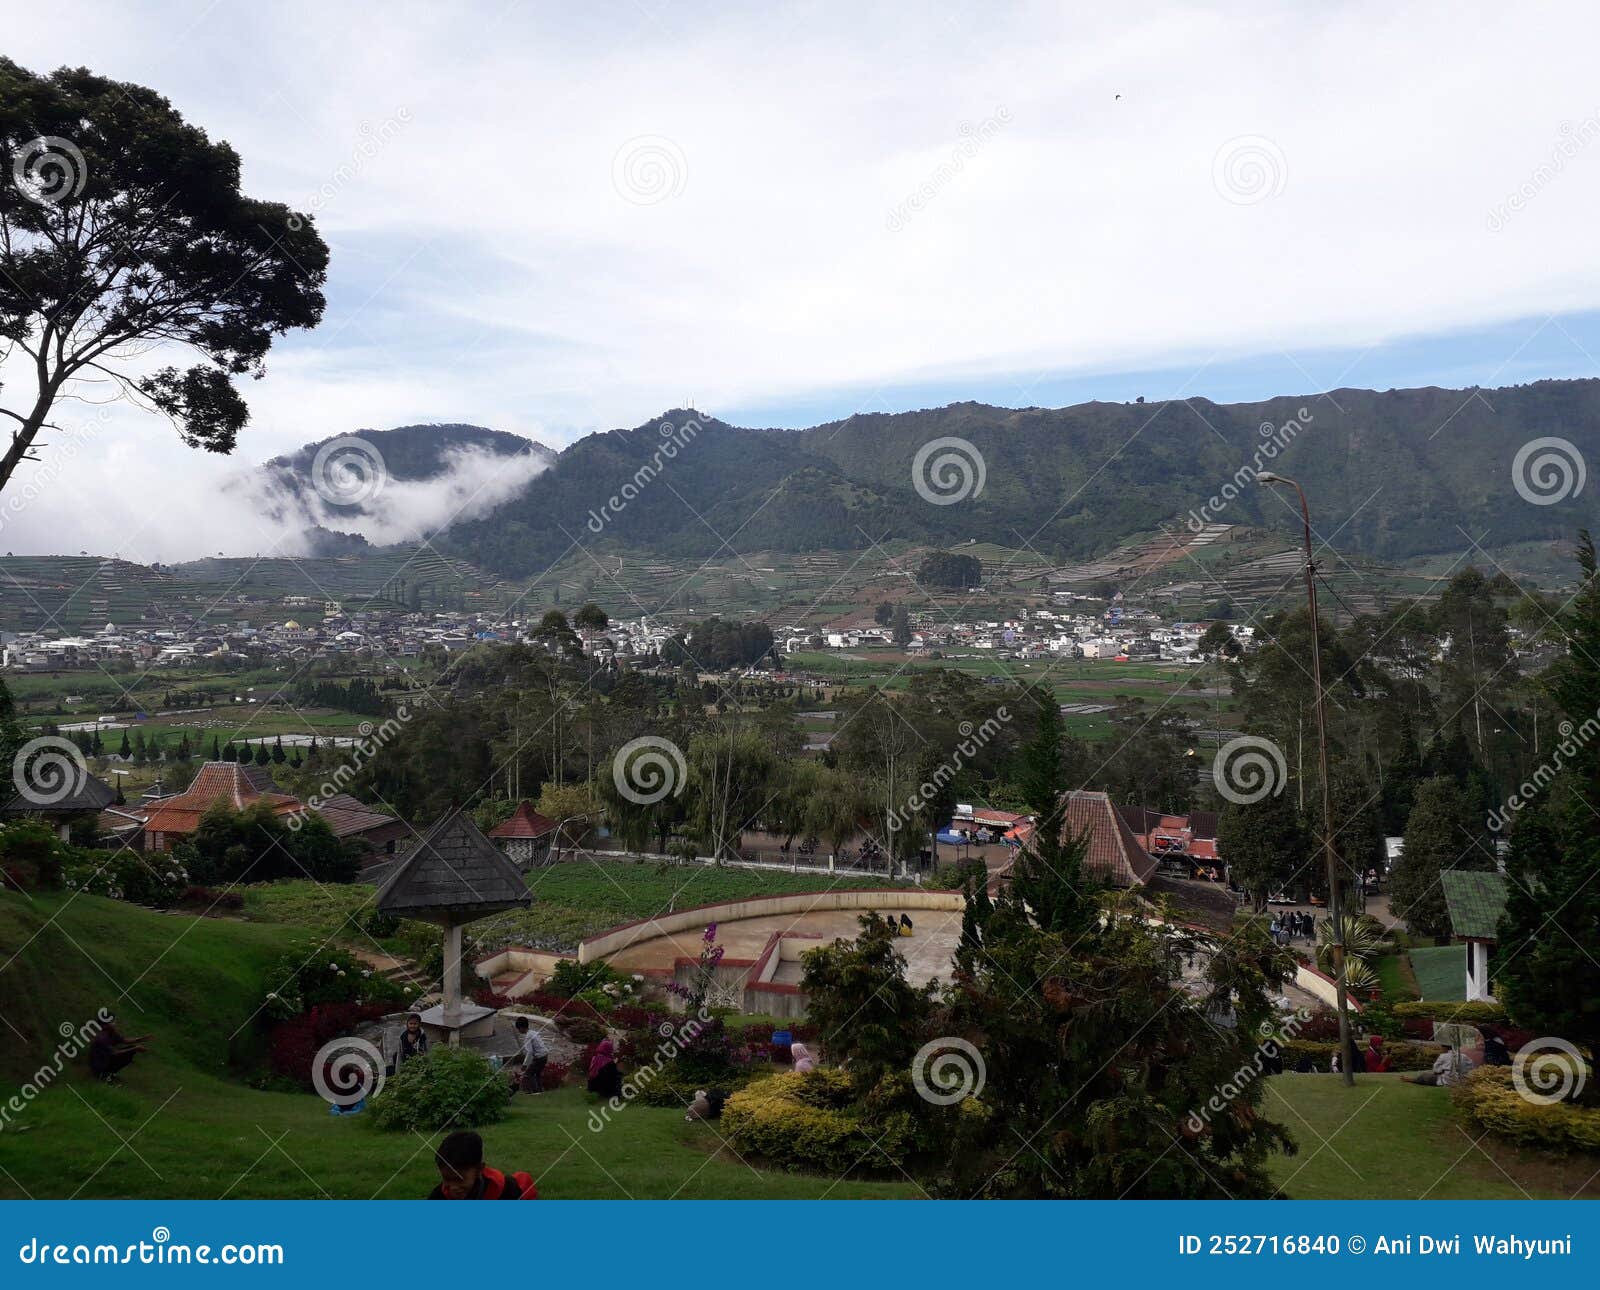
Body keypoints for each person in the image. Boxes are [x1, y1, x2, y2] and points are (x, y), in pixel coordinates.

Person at [428, 1131, 538, 1200]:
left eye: (460, 1179)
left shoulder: (507, 1190)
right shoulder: (439, 1196)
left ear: (479, 1169)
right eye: (446, 1179)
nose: (453, 1187)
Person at [88, 1015, 151, 1082]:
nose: (115, 1024)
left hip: (107, 1059)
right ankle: (104, 1076)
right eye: (111, 1022)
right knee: (130, 1051)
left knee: (130, 1050)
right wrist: (135, 1048)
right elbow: (115, 1053)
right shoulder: (101, 1038)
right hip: (100, 1065)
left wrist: (142, 1039)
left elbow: (124, 1040)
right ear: (104, 1025)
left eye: (114, 1021)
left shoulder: (112, 1033)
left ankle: (110, 1074)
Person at [1402, 1045, 1476, 1087]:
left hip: (1447, 1081)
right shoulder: (1464, 1056)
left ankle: (1413, 1080)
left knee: (1425, 1076)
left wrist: (1442, 1070)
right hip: (1463, 1081)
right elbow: (1471, 1067)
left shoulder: (1443, 1056)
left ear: (1445, 1048)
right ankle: (1413, 1079)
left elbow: (1436, 1070)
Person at [510, 1016, 550, 1094]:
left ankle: (535, 1092)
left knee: (529, 1074)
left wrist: (525, 1065)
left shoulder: (528, 1037)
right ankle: (540, 1090)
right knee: (537, 1074)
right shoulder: (534, 1032)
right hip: (545, 1056)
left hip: (539, 1057)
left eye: (518, 1029)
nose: (518, 1031)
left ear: (521, 1028)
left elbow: (530, 1052)